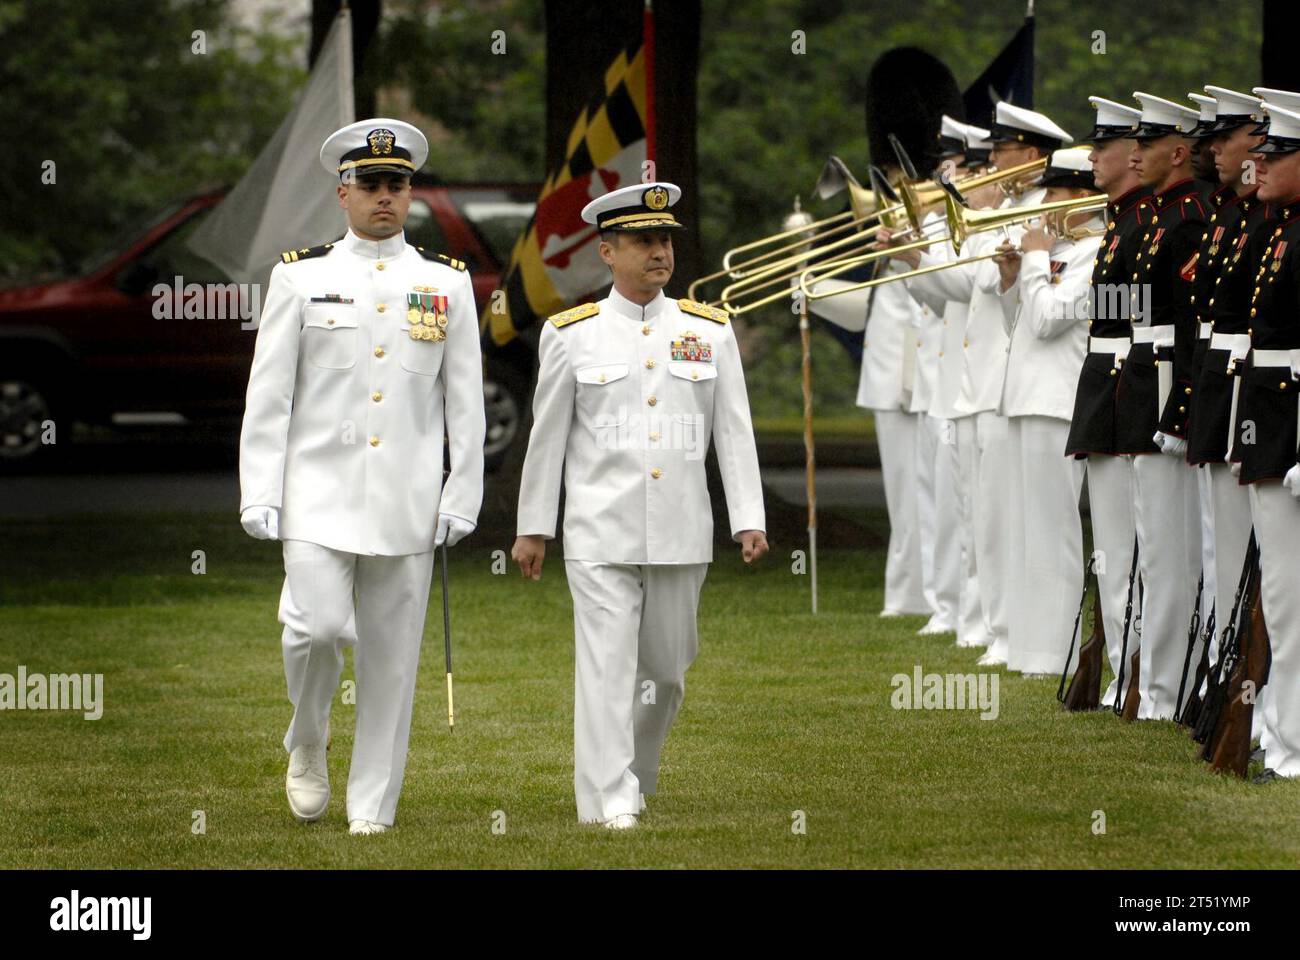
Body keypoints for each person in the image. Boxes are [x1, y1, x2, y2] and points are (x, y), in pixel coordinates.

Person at [238, 119, 486, 835]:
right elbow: (270, 396)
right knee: (314, 631)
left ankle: (370, 809)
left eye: (397, 184)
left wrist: (460, 491)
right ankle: (307, 737)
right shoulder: (300, 276)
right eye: (371, 184)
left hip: (406, 500)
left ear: (409, 192)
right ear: (342, 192)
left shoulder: (444, 283)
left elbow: (463, 401)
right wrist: (259, 489)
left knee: (390, 663)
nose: (385, 196)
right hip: (316, 493)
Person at [511, 182, 768, 828]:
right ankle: (606, 796)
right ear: (606, 251)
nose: (659, 252)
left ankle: (636, 771)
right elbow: (545, 441)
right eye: (643, 241)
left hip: (681, 529)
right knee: (605, 667)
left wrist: (749, 517)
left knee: (667, 671)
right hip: (600, 530)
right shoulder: (572, 335)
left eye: (665, 240)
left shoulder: (709, 330)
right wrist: (533, 528)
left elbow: (733, 430)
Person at [991, 148, 1105, 676]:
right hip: (1024, 398)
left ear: (1082, 197)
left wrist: (1034, 261)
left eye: (1054, 195)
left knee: (1052, 528)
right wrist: (1015, 276)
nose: (1044, 205)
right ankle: (1026, 643)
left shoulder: (1098, 250)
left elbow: (1051, 319)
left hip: (1058, 402)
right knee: (1022, 526)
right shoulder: (1060, 248)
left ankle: (1055, 647)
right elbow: (1021, 321)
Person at [1119, 93, 1207, 720]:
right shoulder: (1156, 217)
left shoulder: (1186, 218)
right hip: (1144, 370)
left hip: (1167, 376)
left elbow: (1186, 323)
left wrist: (1177, 406)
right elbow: (1130, 311)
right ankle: (1156, 683)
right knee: (1152, 540)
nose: (1133, 155)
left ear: (1178, 152)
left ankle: (1168, 687)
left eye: (1145, 146)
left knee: (1171, 546)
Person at [1181, 87, 1267, 705]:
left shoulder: (1259, 219)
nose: (1213, 151)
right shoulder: (1227, 214)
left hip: (1254, 382)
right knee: (1216, 543)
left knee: (1244, 548)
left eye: (1225, 138)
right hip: (1218, 377)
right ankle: (1220, 673)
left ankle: (1242, 684)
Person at [1064, 96, 1148, 704]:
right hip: (1109, 385)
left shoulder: (1153, 222)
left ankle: (1140, 677)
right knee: (1110, 552)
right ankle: (1123, 670)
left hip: (1134, 385)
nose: (1094, 156)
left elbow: (1140, 312)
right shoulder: (1122, 221)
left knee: (1134, 549)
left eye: (1104, 146)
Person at [1232, 101, 1300, 782]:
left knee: (1292, 595)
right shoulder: (1281, 231)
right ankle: (1284, 733)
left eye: (1278, 155)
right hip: (1272, 423)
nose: (1263, 164)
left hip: (1291, 426)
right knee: (1281, 596)